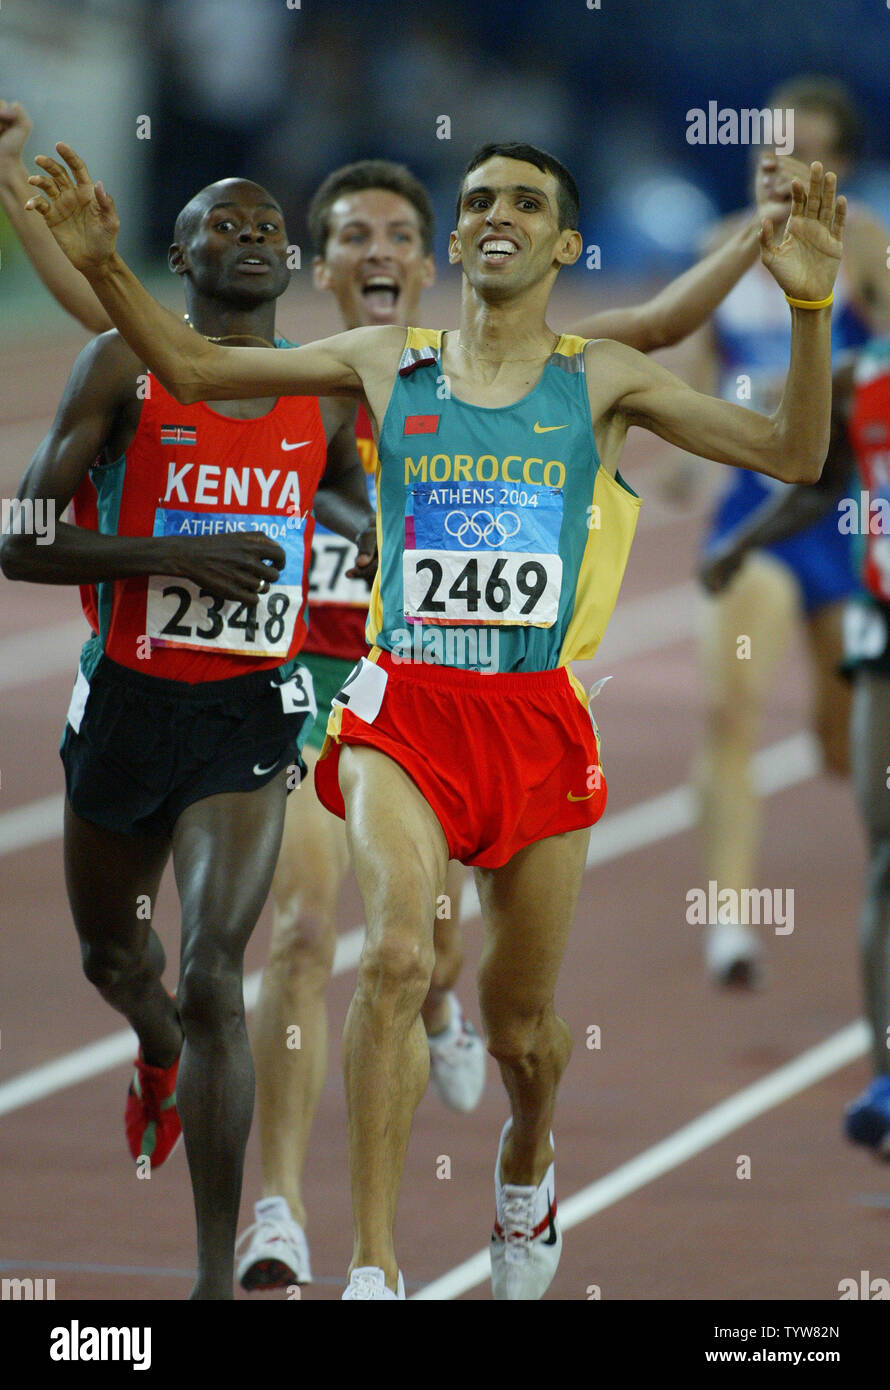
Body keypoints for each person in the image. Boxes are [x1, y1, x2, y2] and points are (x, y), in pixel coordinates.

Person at [29, 137, 843, 1300]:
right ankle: (375, 1261)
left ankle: (527, 1152)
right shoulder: (380, 359)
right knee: (395, 951)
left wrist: (806, 303)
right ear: (456, 243)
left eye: (524, 202)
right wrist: (111, 271)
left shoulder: (597, 378)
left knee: (522, 1031)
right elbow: (197, 371)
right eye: (476, 201)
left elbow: (793, 451)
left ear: (564, 244)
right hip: (400, 705)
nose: (494, 213)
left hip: (531, 720)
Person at [0, 174, 376, 1300]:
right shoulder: (122, 364)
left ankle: (213, 1280)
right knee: (118, 960)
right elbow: (19, 538)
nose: (254, 236)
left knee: (219, 972)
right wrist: (170, 555)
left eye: (270, 225)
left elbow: (352, 499)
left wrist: (401, 536)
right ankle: (154, 1047)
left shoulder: (320, 392)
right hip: (125, 704)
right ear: (181, 252)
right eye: (227, 222)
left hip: (245, 716)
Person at [687, 77, 890, 987]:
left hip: (846, 518)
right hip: (756, 514)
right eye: (769, 147)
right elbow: (695, 371)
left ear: (837, 167)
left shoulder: (872, 251)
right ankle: (729, 921)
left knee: (839, 745)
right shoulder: (716, 249)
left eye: (803, 150)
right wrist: (682, 451)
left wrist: (825, 382)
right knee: (730, 708)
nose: (780, 165)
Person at [699, 341, 890, 1160]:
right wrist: (741, 541)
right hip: (879, 621)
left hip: (853, 601)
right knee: (883, 853)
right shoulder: (863, 375)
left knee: (852, 779)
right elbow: (820, 480)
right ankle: (885, 1075)